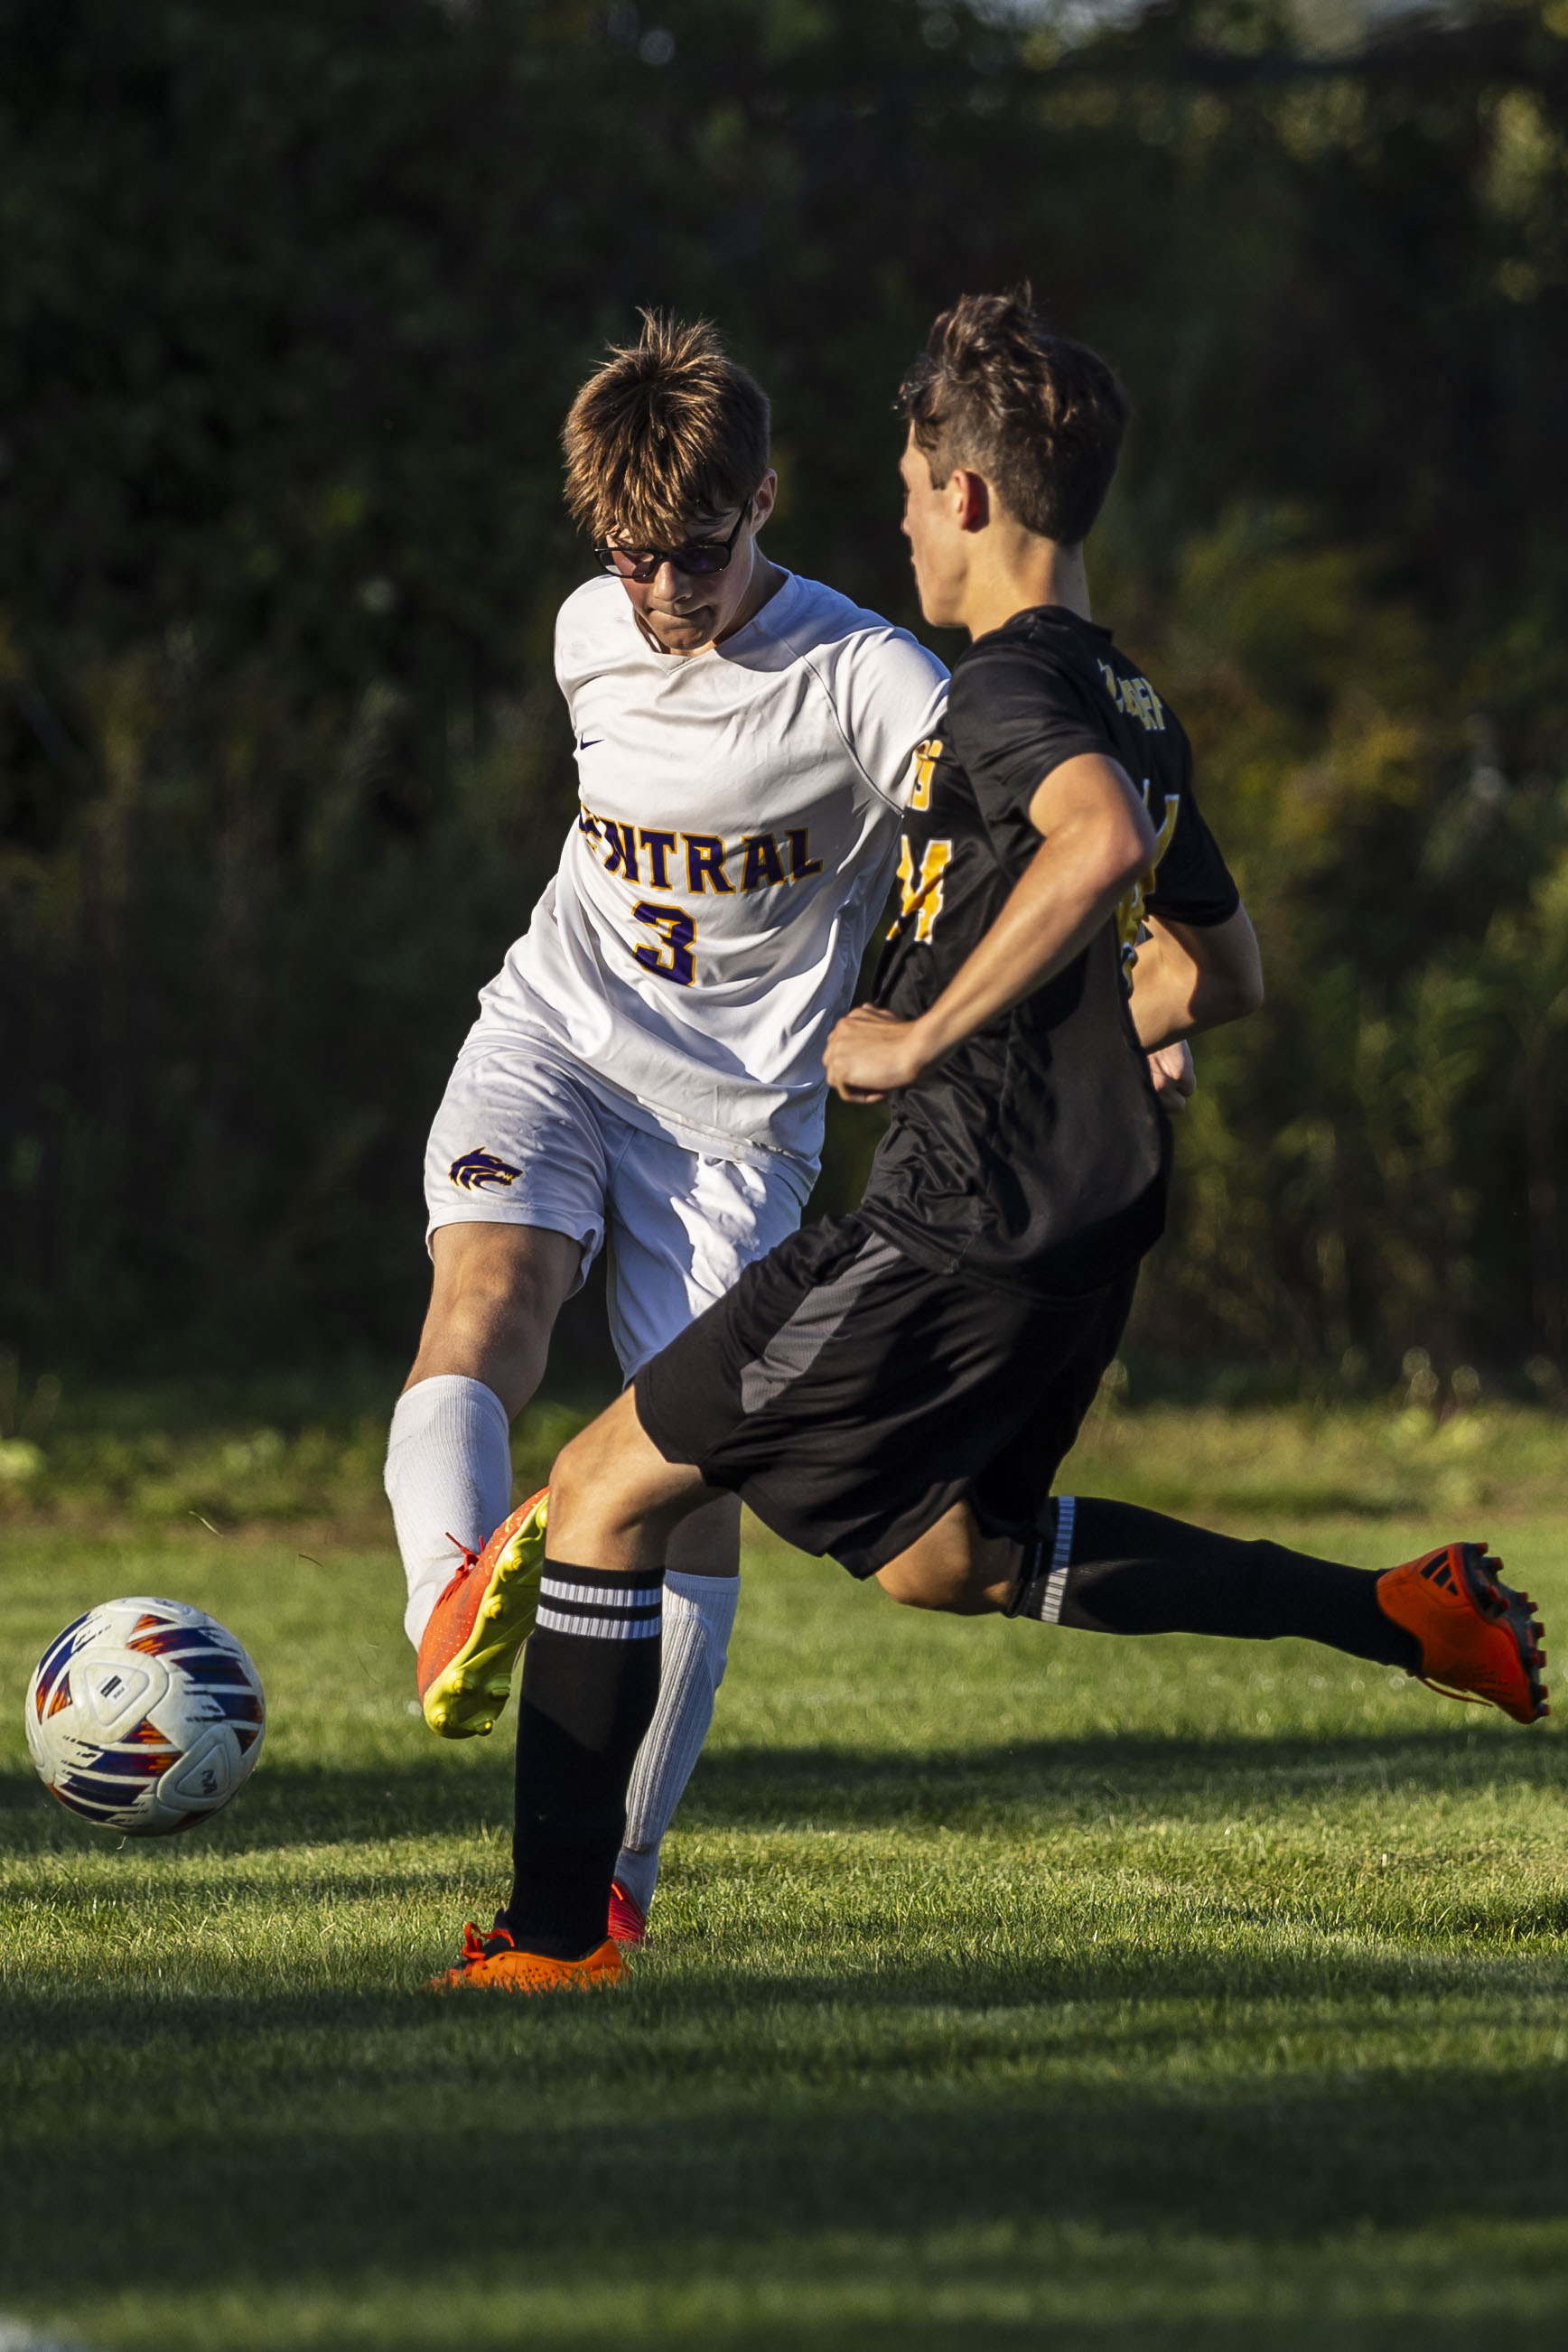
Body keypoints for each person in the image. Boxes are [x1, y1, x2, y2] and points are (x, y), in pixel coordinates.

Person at [429, 290, 1548, 1995]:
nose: (892, 508)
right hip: (1083, 1225)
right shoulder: (1129, 692)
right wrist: (1130, 1031)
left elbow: (1089, 845)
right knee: (952, 1556)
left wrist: (921, 1033)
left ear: (961, 495)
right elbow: (1227, 973)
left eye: (903, 476)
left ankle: (554, 1939)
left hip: (956, 1216)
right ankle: (1397, 1609)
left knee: (596, 1493)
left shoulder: (1001, 684)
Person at [385, 312, 949, 1946]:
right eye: (633, 560)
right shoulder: (587, 634)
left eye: (697, 556)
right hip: (554, 1035)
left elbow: (996, 809)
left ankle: (610, 1886)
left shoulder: (860, 673)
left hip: (733, 1132)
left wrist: (1103, 979)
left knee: (686, 1475)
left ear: (766, 499)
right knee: (486, 1297)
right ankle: (449, 1613)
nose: (663, 596)